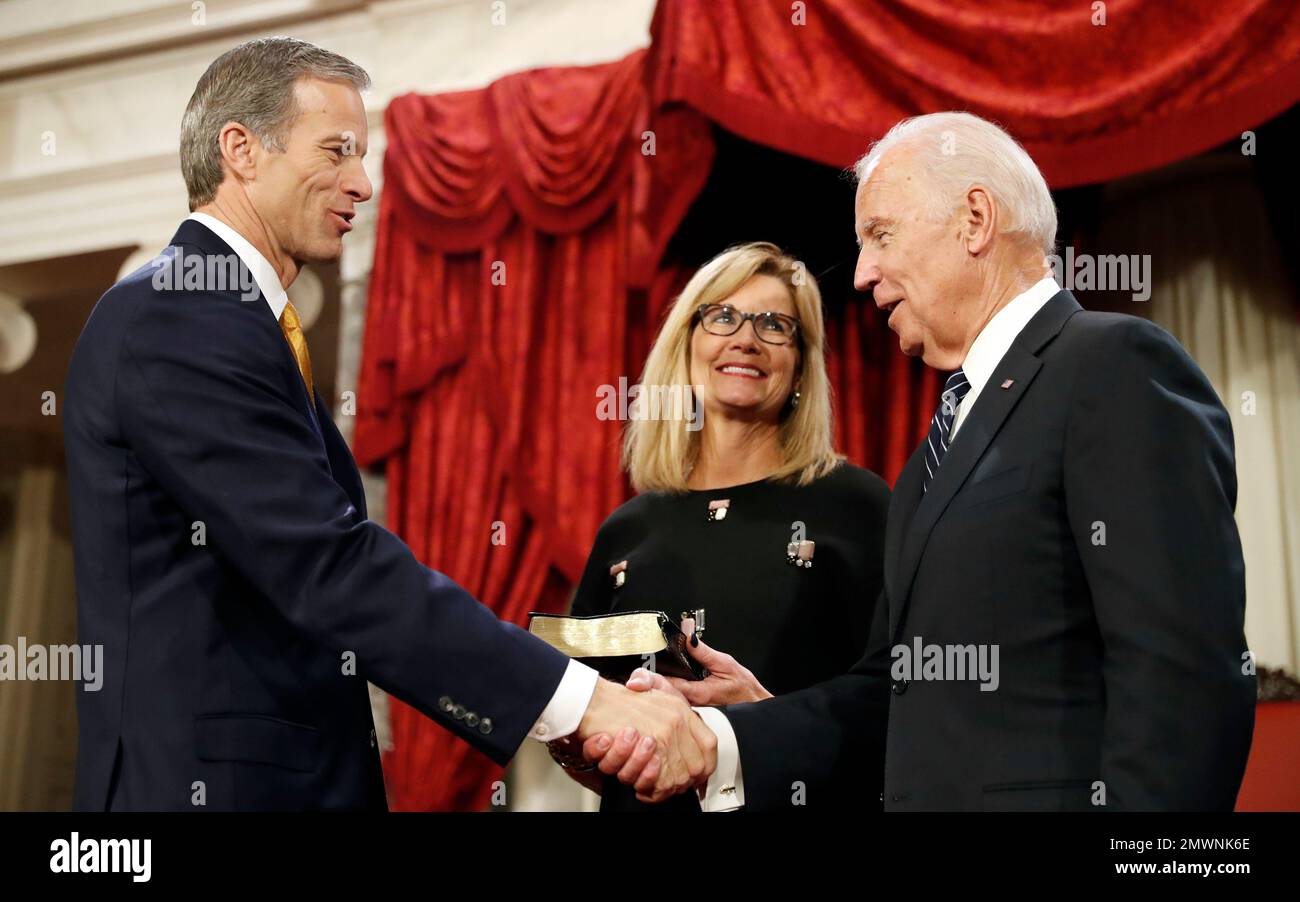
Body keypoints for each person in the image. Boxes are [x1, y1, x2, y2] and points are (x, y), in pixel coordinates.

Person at [61, 36, 712, 811]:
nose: (363, 183)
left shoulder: (229, 321)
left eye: (363, 156)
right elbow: (327, 567)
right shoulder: (180, 315)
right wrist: (584, 703)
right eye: (336, 151)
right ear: (241, 149)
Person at [589, 111, 1257, 811]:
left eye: (879, 235)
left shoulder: (1111, 366)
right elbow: (891, 692)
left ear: (974, 220)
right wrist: (728, 736)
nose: (862, 274)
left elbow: (1184, 678)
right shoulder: (936, 451)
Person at [556, 242, 890, 811]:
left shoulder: (859, 506)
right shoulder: (625, 530)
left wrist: (762, 713)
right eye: (723, 317)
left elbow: (896, 703)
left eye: (775, 325)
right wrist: (590, 745)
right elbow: (576, 710)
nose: (746, 339)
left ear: (802, 364)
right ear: (686, 347)